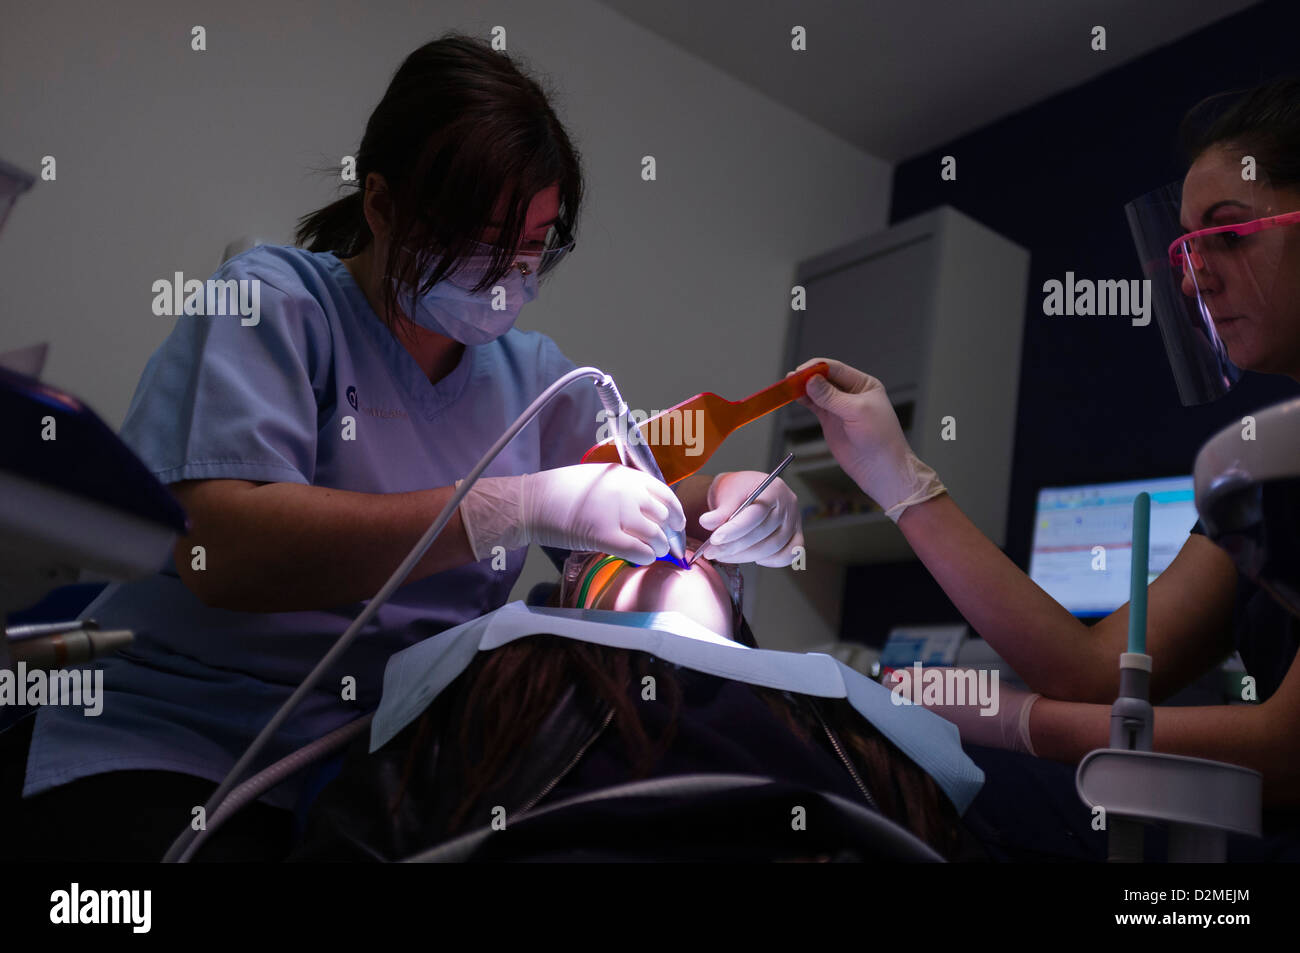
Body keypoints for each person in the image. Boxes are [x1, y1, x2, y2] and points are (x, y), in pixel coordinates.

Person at [0, 34, 802, 862]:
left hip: (380, 767)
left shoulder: (535, 379)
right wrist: (509, 506)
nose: (508, 279)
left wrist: (726, 500)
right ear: (382, 206)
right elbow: (225, 555)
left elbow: (633, 494)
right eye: (480, 244)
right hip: (172, 741)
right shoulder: (272, 307)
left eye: (532, 248)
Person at [792, 77, 1300, 860]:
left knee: (897, 789)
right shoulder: (1264, 479)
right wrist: (900, 481)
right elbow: (1095, 673)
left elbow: (1286, 751)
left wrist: (1017, 722)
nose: (1196, 277)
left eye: (1229, 235)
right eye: (1188, 249)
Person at [289, 541, 986, 862]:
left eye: (695, 544)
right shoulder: (508, 663)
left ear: (737, 608)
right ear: (572, 597)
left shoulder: (820, 700)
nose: (668, 548)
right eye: (612, 548)